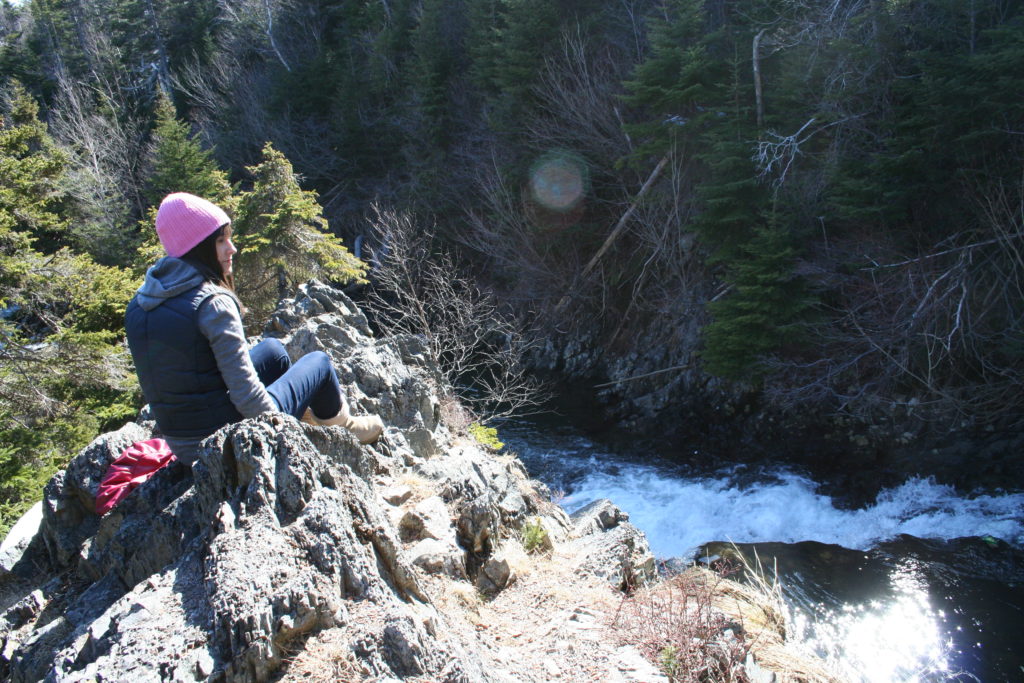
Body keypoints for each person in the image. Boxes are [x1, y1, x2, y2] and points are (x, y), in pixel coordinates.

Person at [125, 192, 383, 464]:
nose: (232, 248)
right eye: (221, 240)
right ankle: (341, 429)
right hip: (224, 442)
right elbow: (247, 398)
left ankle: (311, 419)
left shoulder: (140, 305)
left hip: (183, 444)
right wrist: (281, 429)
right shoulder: (211, 303)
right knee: (319, 363)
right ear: (197, 248)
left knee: (273, 351)